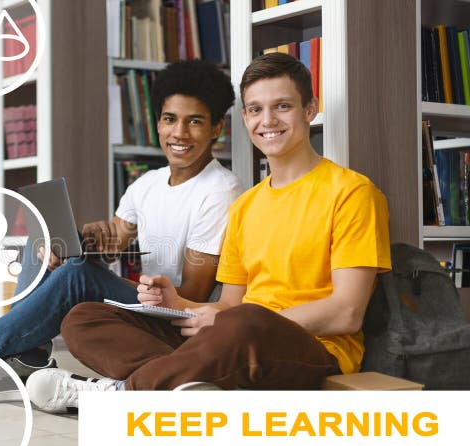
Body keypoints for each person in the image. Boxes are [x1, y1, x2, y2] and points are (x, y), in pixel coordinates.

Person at [0, 59, 243, 401]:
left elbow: (190, 297)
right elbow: (114, 237)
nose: (179, 133)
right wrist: (71, 242)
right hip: (146, 304)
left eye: (194, 122)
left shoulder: (219, 191)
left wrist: (81, 266)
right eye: (170, 119)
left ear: (216, 129)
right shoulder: (149, 183)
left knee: (76, 276)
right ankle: (26, 358)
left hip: (181, 322)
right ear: (158, 122)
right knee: (49, 248)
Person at [26, 52, 392, 413]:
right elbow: (229, 305)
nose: (267, 120)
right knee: (83, 319)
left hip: (313, 349)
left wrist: (233, 321)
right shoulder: (246, 206)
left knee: (247, 321)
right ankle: (192, 387)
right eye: (255, 109)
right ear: (245, 118)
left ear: (310, 109)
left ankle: (122, 393)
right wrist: (179, 305)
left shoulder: (351, 193)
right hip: (235, 338)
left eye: (282, 106)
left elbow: (346, 312)